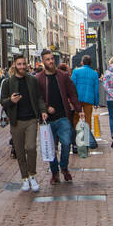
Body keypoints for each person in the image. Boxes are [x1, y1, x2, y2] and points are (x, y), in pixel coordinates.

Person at [36, 50, 81, 185]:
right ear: (43, 62)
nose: (50, 61)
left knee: (66, 143)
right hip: (47, 119)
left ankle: (64, 167)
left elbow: (72, 93)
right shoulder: (38, 79)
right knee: (50, 147)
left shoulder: (63, 76)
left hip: (63, 116)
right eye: (47, 59)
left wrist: (79, 109)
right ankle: (55, 172)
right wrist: (45, 107)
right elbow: (37, 98)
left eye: (51, 59)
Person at [2, 53, 43, 191]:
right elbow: (3, 101)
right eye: (19, 64)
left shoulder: (32, 80)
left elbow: (38, 97)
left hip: (31, 119)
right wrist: (11, 101)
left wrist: (42, 110)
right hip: (16, 121)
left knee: (31, 147)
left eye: (24, 64)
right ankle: (24, 178)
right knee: (19, 152)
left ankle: (32, 175)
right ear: (14, 65)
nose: (22, 66)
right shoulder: (8, 82)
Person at [72, 55, 100, 142]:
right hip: (89, 98)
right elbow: (96, 89)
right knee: (88, 118)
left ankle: (75, 138)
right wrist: (96, 102)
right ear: (91, 63)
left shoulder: (76, 71)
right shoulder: (94, 73)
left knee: (76, 117)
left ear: (82, 62)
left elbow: (72, 86)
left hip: (77, 99)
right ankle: (87, 139)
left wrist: (71, 99)